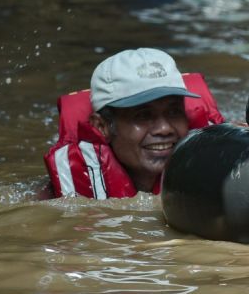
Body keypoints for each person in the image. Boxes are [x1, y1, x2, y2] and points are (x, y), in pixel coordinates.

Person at [44, 48, 224, 198]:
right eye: (143, 115)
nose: (164, 129)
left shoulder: (226, 164)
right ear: (102, 126)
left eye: (174, 112)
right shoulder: (62, 198)